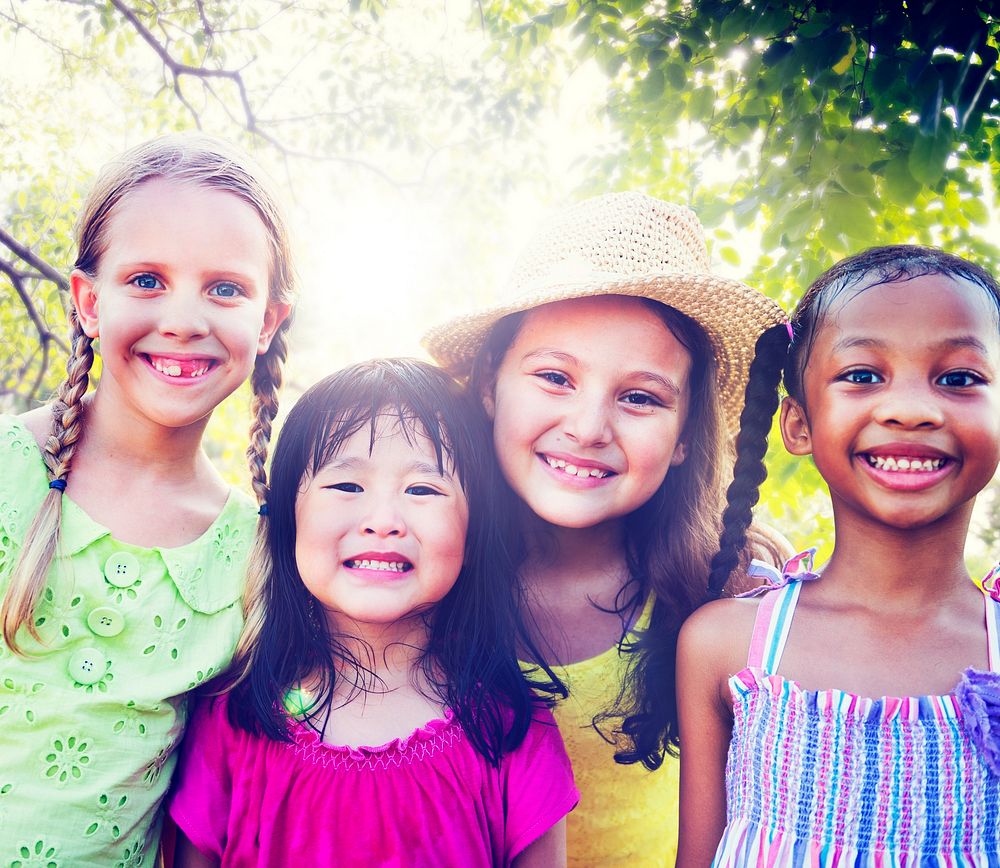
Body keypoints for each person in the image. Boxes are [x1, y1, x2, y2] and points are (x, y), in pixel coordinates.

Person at [424, 191, 787, 866]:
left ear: (684, 435)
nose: (589, 428)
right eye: (556, 377)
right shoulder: (414, 571)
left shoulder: (732, 594)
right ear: (488, 387)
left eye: (640, 397)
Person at [0, 134, 293, 864]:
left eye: (225, 288)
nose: (185, 319)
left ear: (267, 322)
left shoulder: (251, 552)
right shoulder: (11, 472)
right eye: (147, 281)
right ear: (89, 302)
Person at [169, 359, 579, 866]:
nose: (383, 521)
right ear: (287, 522)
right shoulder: (232, 718)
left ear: (476, 533)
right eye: (346, 486)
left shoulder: (514, 731)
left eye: (423, 490)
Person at [677, 245, 1000, 865]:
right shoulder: (725, 644)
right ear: (797, 424)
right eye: (862, 375)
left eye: (958, 378)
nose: (909, 409)